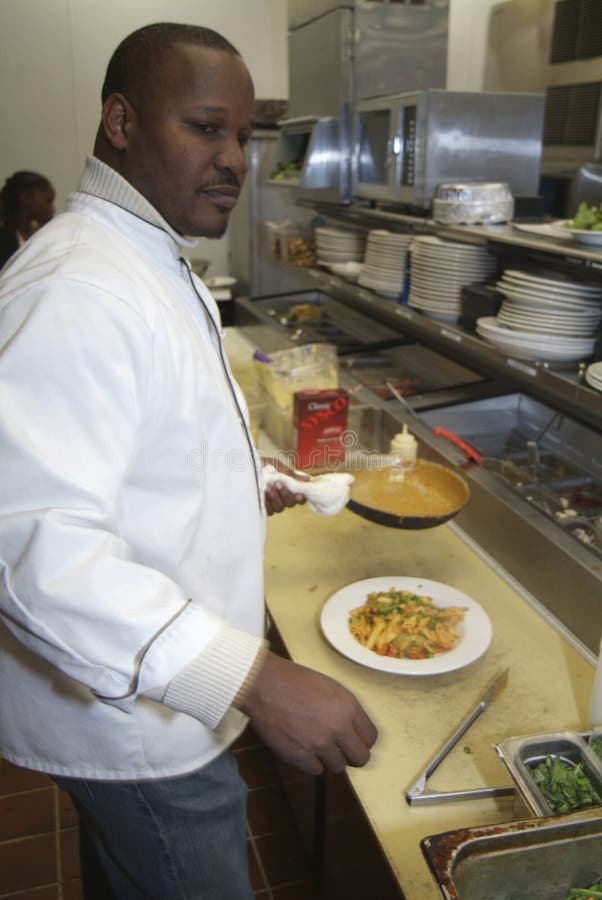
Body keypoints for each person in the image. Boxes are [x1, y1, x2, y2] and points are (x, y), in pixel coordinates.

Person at [0, 22, 377, 900]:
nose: (235, 159)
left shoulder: (141, 255)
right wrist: (256, 679)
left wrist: (243, 484)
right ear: (122, 122)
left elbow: (137, 447)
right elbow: (31, 547)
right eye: (206, 128)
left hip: (146, 710)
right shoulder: (76, 286)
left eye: (243, 136)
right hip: (141, 733)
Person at [0, 170, 55, 267]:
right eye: (48, 201)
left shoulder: (39, 236)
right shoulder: (4, 243)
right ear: (27, 197)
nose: (52, 209)